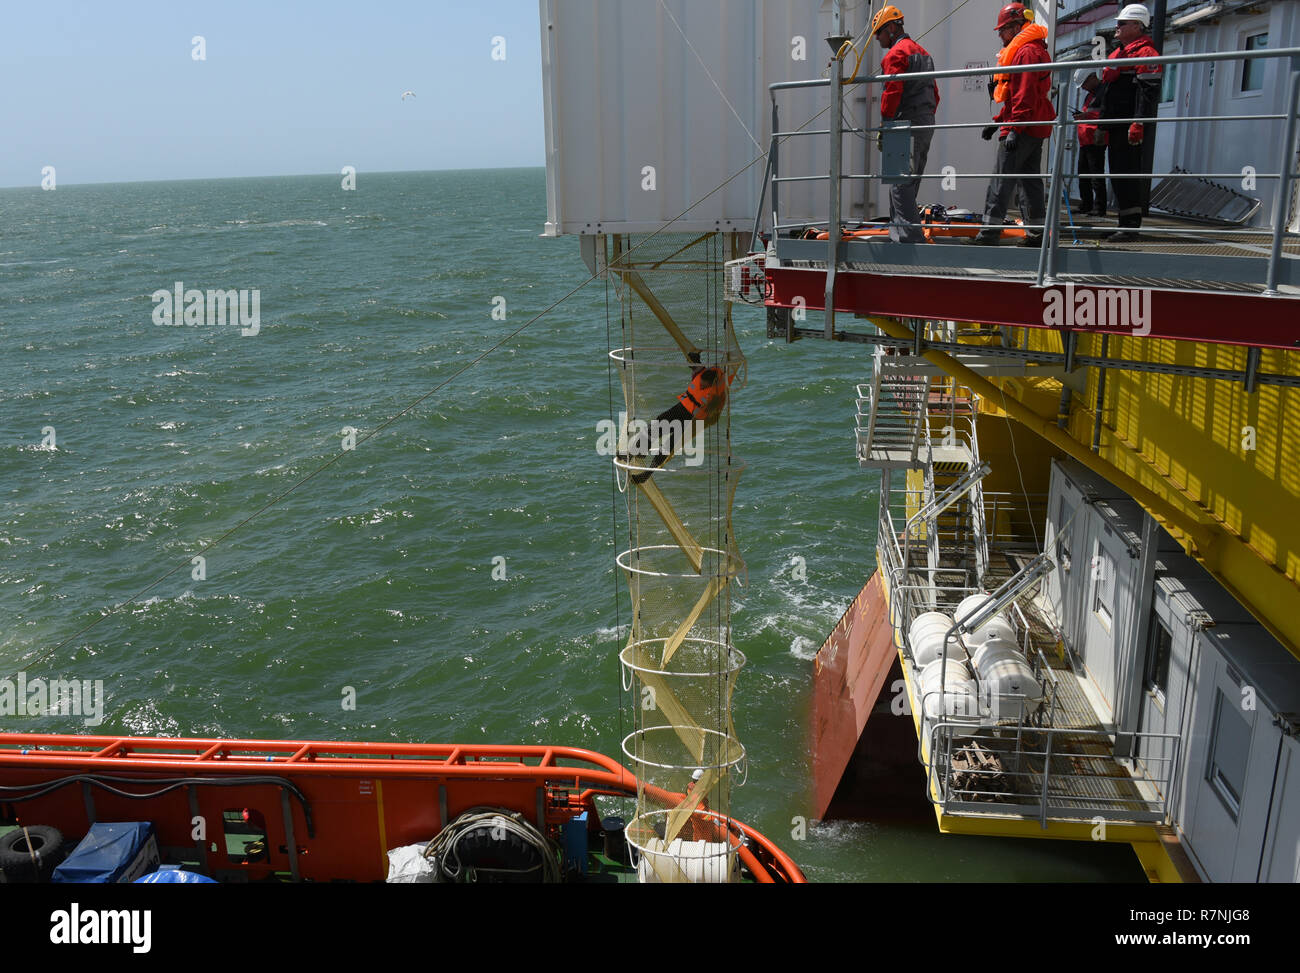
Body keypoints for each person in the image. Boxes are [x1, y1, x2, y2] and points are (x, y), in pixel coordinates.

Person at [971, 3, 1054, 247]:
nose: (1000, 35)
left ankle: (988, 235)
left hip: (1022, 128)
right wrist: (997, 123)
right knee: (1030, 182)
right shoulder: (1032, 50)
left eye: (1003, 29)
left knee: (1001, 180)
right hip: (1033, 125)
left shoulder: (1025, 53)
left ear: (1017, 27)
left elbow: (1024, 96)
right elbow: (1018, 97)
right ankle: (1037, 235)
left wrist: (1014, 129)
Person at [869, 5, 940, 244]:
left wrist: (885, 124)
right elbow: (934, 92)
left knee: (899, 183)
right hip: (926, 121)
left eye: (879, 32)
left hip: (904, 123)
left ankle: (910, 238)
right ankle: (899, 233)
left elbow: (892, 92)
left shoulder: (895, 54)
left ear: (891, 27)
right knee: (910, 181)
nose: (877, 38)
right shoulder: (923, 53)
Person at [1096, 4, 1162, 241]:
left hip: (1129, 125)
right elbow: (1109, 91)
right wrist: (1101, 124)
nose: (1117, 27)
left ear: (1137, 26)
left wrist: (1138, 123)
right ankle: (1124, 222)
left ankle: (1131, 226)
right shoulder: (1120, 53)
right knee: (1117, 173)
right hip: (1116, 124)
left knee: (1127, 173)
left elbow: (1148, 93)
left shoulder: (1146, 55)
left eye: (1122, 23)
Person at [626, 365, 730, 484]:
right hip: (680, 409)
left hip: (690, 422)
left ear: (711, 384)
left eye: (704, 385)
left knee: (666, 448)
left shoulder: (717, 395)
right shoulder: (700, 372)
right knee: (652, 428)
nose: (700, 386)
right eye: (700, 383)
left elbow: (713, 416)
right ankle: (636, 452)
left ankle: (646, 474)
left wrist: (713, 408)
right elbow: (691, 360)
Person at [1075, 75, 1108, 218]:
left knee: (1096, 174)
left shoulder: (1104, 92)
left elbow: (1105, 114)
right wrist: (1083, 116)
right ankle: (1086, 204)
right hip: (1085, 139)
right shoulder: (1090, 95)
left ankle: (1099, 207)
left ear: (1092, 78)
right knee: (1083, 173)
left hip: (1095, 139)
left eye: (1084, 84)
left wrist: (1085, 116)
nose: (1083, 87)